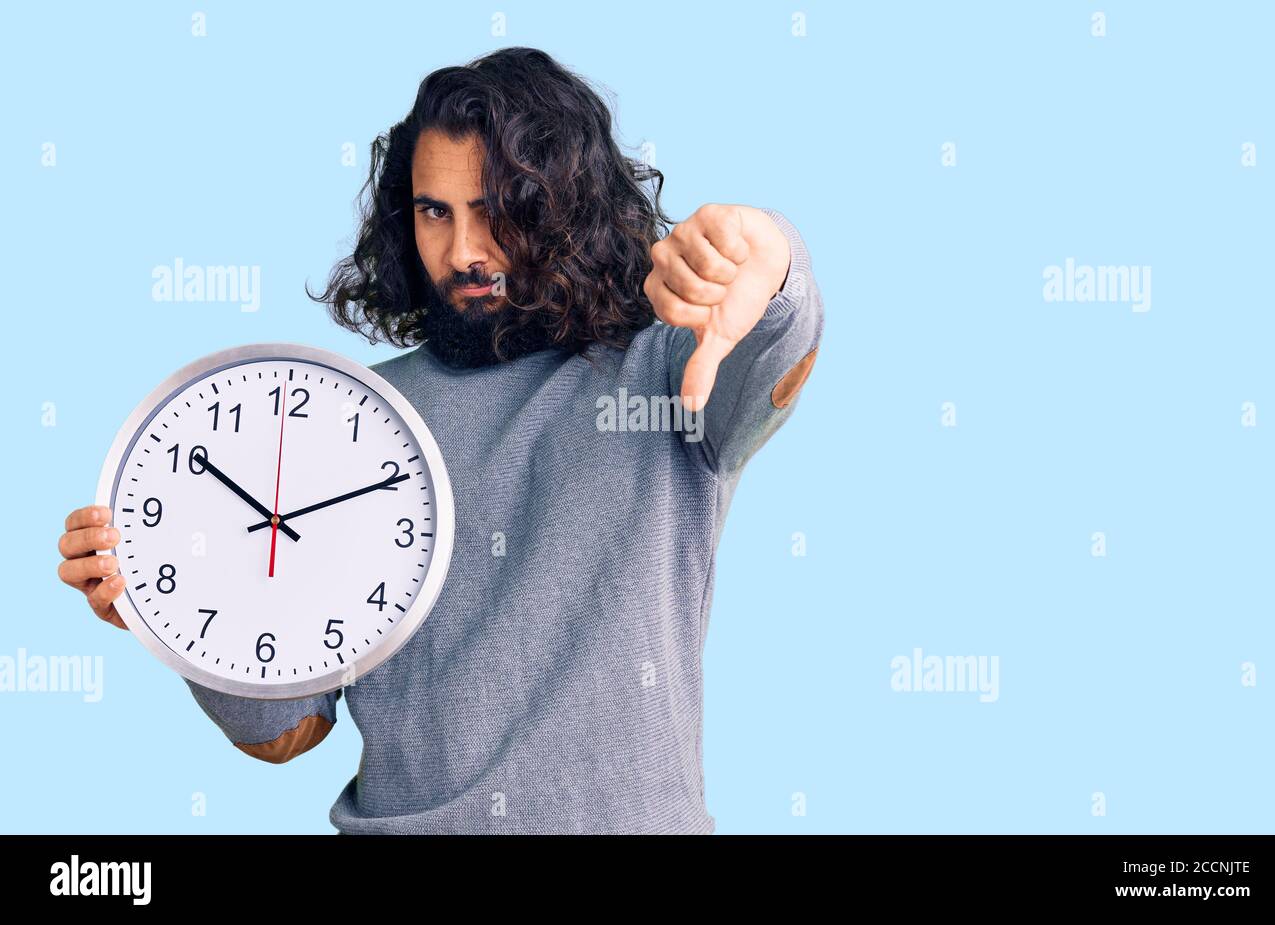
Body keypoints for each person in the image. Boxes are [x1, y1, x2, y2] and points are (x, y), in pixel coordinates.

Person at [56, 47, 823, 834]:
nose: (464, 251)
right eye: (436, 211)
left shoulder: (665, 370)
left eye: (499, 208)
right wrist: (168, 608)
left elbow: (777, 341)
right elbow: (290, 728)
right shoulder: (352, 414)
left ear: (568, 204)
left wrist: (768, 258)